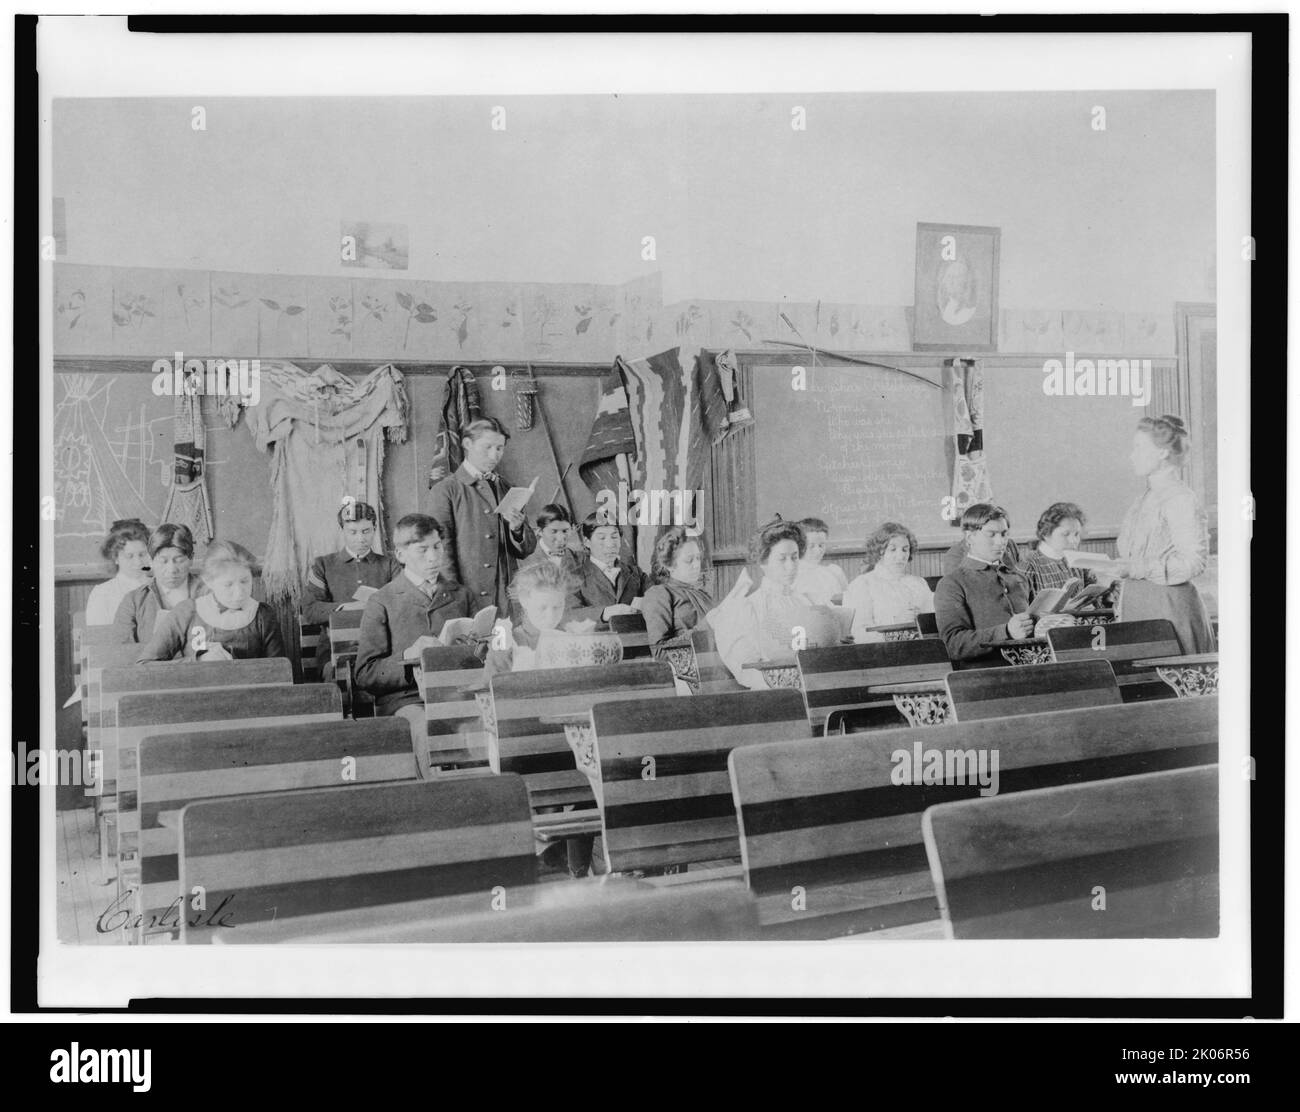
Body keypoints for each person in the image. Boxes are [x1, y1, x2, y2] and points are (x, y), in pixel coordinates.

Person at [482, 560, 604, 880]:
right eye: (543, 607)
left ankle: (574, 865)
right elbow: (491, 688)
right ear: (524, 602)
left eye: (558, 606)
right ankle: (555, 855)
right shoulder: (504, 634)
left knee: (595, 776)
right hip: (519, 743)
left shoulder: (569, 637)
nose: (552, 615)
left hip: (565, 741)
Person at [353, 515, 476, 736]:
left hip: (457, 691)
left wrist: (475, 647)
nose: (433, 557)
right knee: (427, 726)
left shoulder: (461, 594)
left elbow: (484, 654)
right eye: (423, 550)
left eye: (437, 546)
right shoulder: (382, 601)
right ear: (401, 555)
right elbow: (365, 673)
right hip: (406, 699)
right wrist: (409, 656)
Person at [1113, 415, 1216, 654]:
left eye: (1139, 447)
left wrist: (1137, 568)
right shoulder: (1144, 499)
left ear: (1161, 453)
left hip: (1168, 610)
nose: (1132, 455)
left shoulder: (1180, 498)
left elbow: (1194, 562)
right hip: (1139, 607)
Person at [713, 517, 840, 689]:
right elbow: (745, 669)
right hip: (772, 695)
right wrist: (794, 682)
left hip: (815, 684)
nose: (791, 566)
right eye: (782, 559)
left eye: (795, 558)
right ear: (763, 562)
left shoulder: (807, 600)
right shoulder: (747, 608)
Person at [427, 416, 536, 613]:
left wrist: (517, 529)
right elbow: (442, 551)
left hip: (506, 597)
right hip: (469, 598)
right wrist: (455, 600)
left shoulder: (505, 486)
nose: (494, 456)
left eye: (499, 448)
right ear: (467, 444)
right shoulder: (446, 490)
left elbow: (527, 549)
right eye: (487, 447)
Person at [137, 540, 285, 661]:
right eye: (228, 584)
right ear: (209, 581)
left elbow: (279, 671)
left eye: (245, 581)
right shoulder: (186, 612)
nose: (239, 592)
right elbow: (145, 664)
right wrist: (199, 661)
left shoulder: (262, 615)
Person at [301, 501, 402, 677]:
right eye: (353, 532)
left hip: (382, 647)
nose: (360, 538)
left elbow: (402, 604)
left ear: (374, 528)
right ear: (342, 531)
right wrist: (345, 608)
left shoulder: (390, 564)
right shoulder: (322, 565)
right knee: (335, 678)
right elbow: (310, 610)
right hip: (333, 648)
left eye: (366, 531)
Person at [933, 504, 1033, 667]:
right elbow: (952, 645)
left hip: (1033, 668)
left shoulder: (1018, 578)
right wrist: (1006, 632)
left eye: (1004, 534)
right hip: (985, 676)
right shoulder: (952, 584)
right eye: (991, 534)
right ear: (970, 537)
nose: (1001, 542)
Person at [112, 523, 205, 643]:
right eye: (163, 561)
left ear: (191, 559)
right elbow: (124, 652)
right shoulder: (134, 601)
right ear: (151, 561)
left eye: (179, 560)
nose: (171, 569)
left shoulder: (211, 594)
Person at [844, 522, 935, 642]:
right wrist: (895, 622)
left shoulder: (918, 583)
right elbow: (858, 633)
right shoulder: (862, 584)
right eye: (893, 549)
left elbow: (933, 623)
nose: (901, 555)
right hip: (883, 653)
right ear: (879, 551)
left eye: (905, 549)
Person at [566, 511, 647, 626]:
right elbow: (568, 614)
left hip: (636, 639)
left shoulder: (636, 574)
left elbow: (657, 598)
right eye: (602, 538)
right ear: (587, 542)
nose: (610, 544)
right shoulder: (573, 577)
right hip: (596, 642)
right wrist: (604, 613)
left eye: (614, 537)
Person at [640, 526, 715, 646]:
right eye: (689, 560)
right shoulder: (659, 594)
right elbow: (660, 649)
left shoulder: (702, 595)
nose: (696, 565)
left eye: (698, 558)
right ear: (669, 565)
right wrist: (701, 629)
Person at [1018, 501, 1103, 597]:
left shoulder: (1078, 564)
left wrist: (1107, 592)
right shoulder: (1028, 565)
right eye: (1065, 534)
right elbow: (1021, 609)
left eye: (1076, 534)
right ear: (1046, 533)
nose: (1073, 540)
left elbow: (1095, 604)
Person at [85, 519, 152, 626]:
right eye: (129, 556)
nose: (138, 562)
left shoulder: (159, 587)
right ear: (115, 557)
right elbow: (98, 637)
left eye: (142, 554)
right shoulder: (102, 594)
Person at [792, 517, 850, 605]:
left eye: (821, 545)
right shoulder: (792, 576)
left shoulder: (834, 572)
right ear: (799, 546)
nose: (818, 551)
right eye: (811, 546)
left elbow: (847, 602)